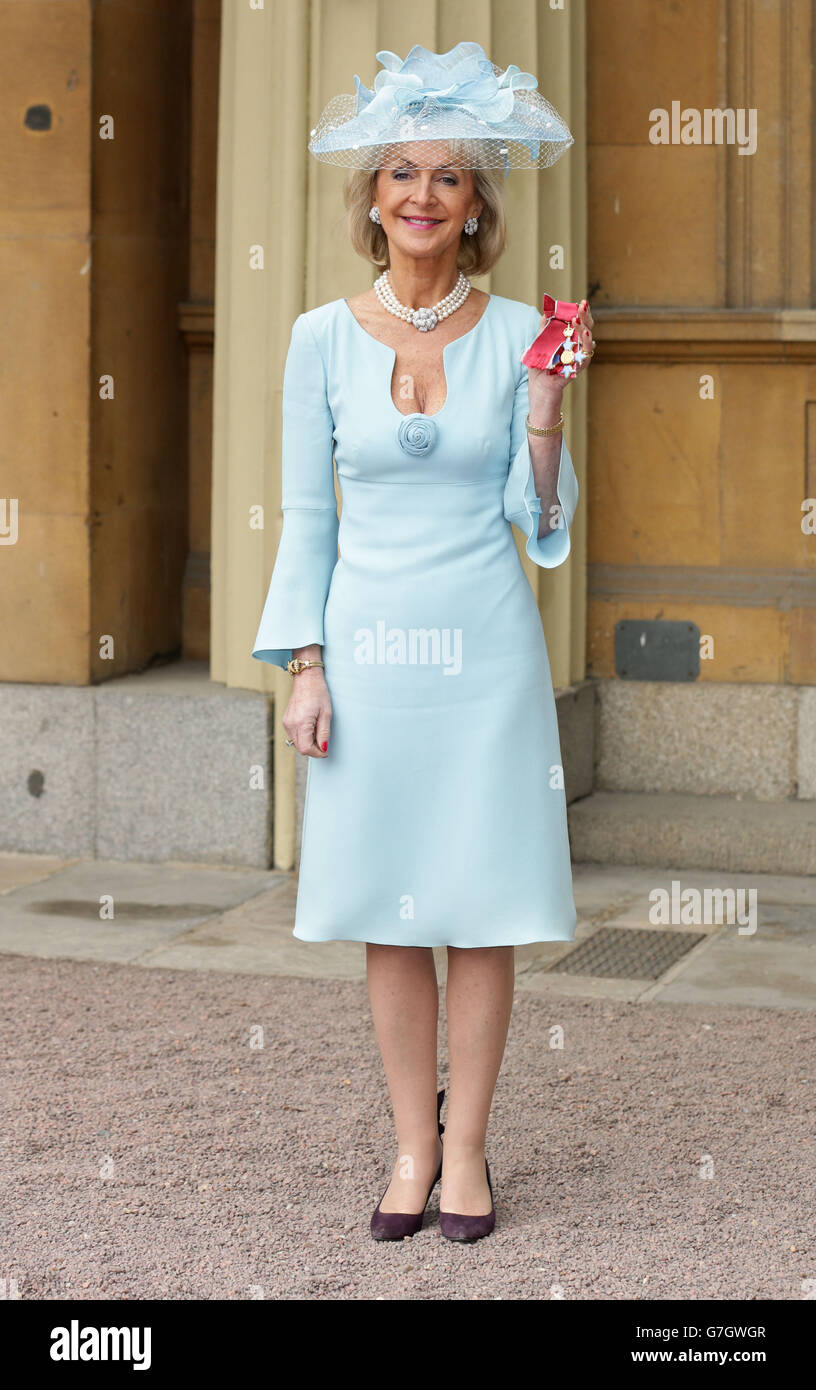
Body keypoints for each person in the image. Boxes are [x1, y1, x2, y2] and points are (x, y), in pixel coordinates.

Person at [252, 41, 594, 1242]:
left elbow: (539, 522)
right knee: (389, 909)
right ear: (373, 197)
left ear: (476, 206)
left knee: (482, 902)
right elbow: (305, 514)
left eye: (447, 179)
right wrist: (304, 665)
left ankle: (469, 1155)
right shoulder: (316, 338)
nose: (420, 197)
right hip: (365, 655)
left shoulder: (516, 337)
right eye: (401, 173)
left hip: (486, 654)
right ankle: (409, 1145)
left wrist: (547, 411)